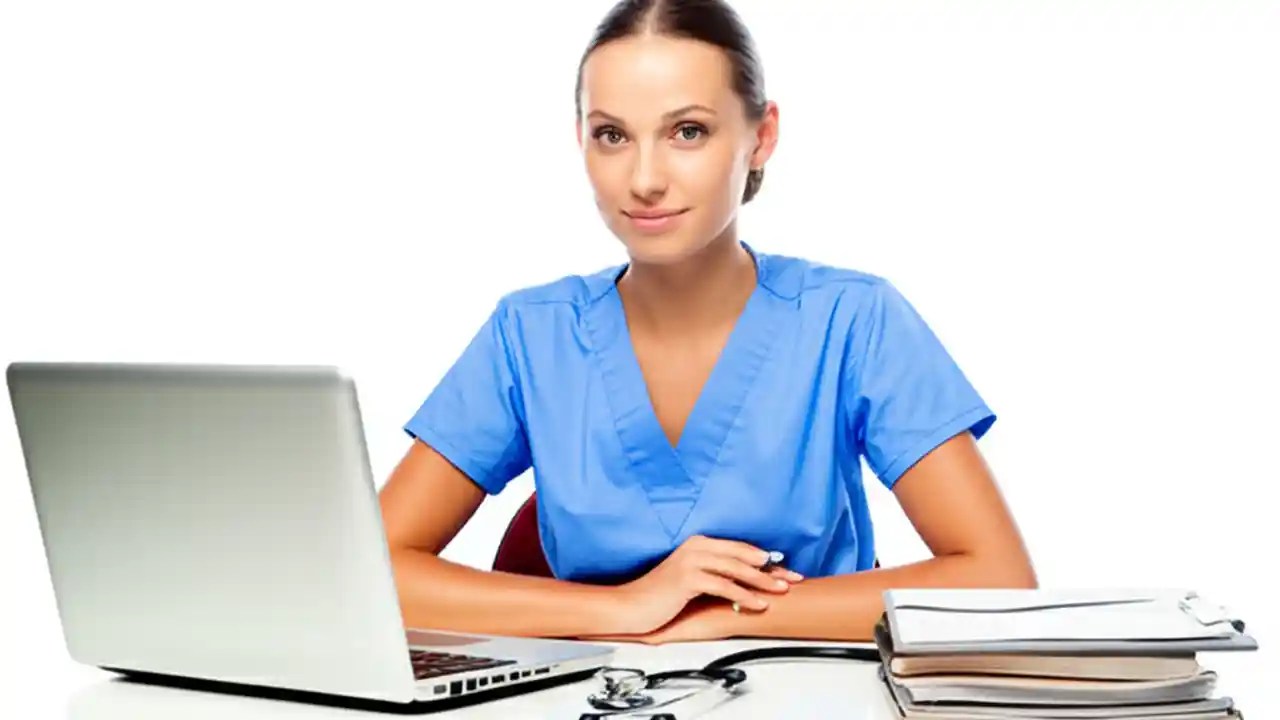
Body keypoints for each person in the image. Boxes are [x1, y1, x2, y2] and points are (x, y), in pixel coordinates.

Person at [378, 0, 1036, 645]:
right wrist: (628, 608)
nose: (644, 179)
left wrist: (717, 617)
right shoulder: (530, 335)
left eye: (687, 131)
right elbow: (372, 576)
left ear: (761, 137)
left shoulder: (852, 320)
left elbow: (998, 580)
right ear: (580, 139)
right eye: (612, 135)